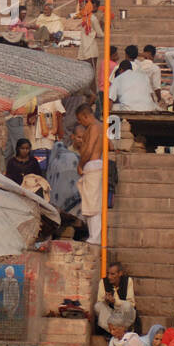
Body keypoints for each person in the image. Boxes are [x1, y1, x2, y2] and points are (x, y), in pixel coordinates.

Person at [74, 102, 104, 245]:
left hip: (92, 165)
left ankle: (95, 237)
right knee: (92, 201)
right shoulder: (101, 126)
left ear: (85, 116)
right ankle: (94, 236)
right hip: (95, 165)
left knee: (92, 203)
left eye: (80, 119)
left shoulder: (93, 127)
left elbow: (90, 148)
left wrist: (80, 164)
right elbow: (109, 145)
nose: (80, 123)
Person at [94, 261, 137, 335]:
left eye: (112, 274)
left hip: (124, 315)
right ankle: (114, 331)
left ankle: (122, 331)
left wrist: (115, 301)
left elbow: (131, 303)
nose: (109, 277)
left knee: (127, 306)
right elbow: (99, 302)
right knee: (98, 306)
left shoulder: (128, 281)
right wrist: (106, 301)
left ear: (120, 273)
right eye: (108, 274)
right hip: (111, 315)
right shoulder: (103, 282)